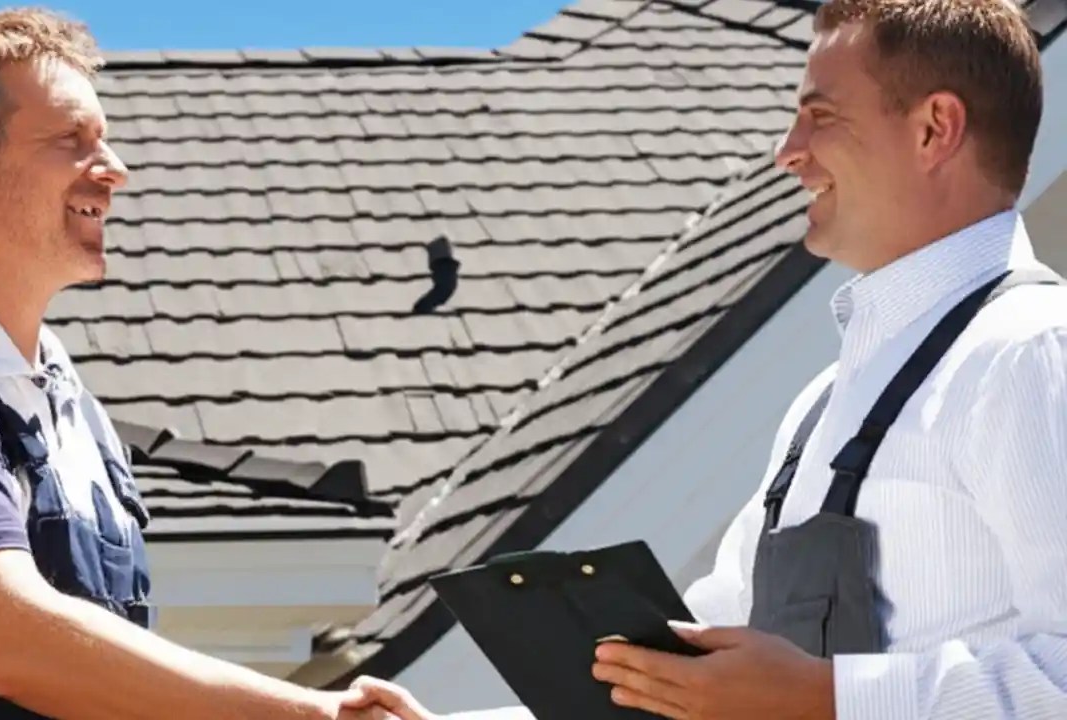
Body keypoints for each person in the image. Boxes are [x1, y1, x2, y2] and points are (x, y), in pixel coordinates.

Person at [356, 0, 1067, 718]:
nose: (788, 150)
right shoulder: (825, 404)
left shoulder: (1031, 352)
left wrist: (822, 697)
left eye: (821, 115)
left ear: (933, 129)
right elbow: (679, 683)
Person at [0, 9, 407, 719]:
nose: (113, 169)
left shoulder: (69, 404)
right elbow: (12, 646)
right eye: (72, 140)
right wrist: (310, 713)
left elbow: (108, 673)